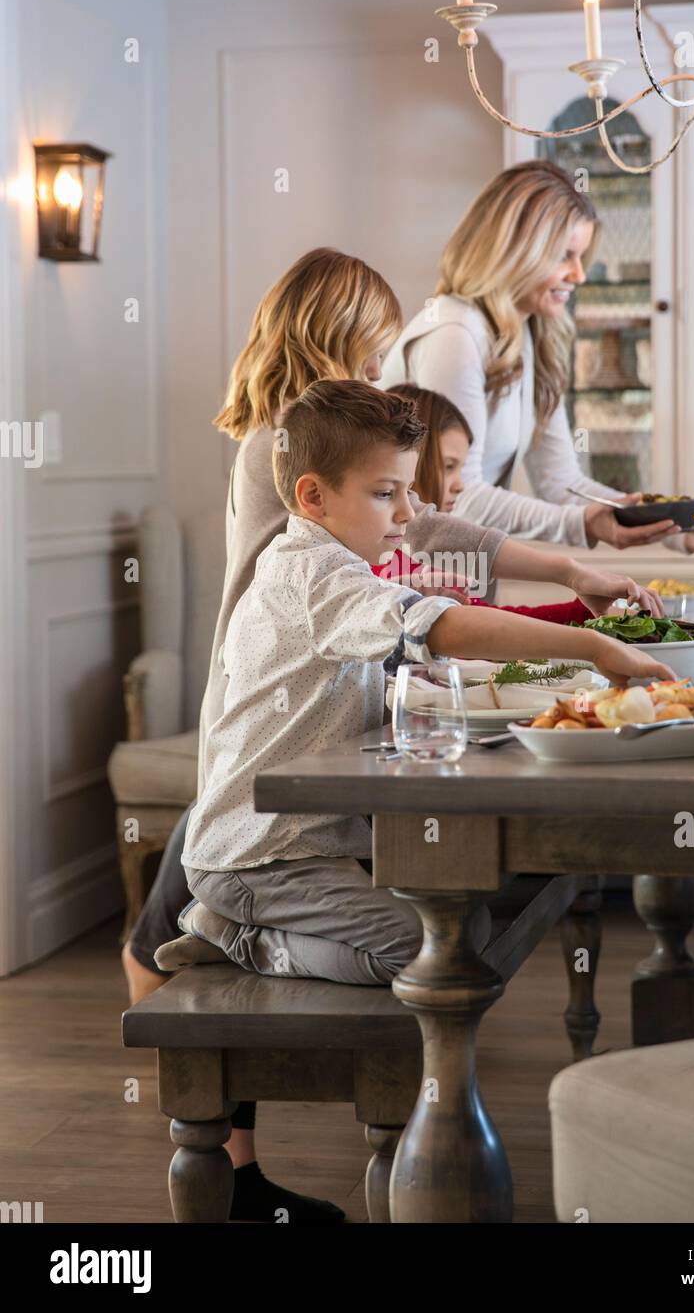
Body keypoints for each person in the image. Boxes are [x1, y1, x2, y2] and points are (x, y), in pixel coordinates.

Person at [121, 247, 510, 1223]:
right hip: (255, 753)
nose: (383, 368)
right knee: (183, 922)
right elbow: (368, 575)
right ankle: (240, 1151)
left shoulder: (322, 456)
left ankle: (244, 1149)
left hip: (276, 745)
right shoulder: (288, 454)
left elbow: (406, 545)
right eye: (373, 350)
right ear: (328, 338)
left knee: (213, 910)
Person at [159, 380, 676, 993]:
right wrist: (592, 643)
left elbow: (406, 628)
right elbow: (446, 629)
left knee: (465, 918)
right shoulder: (314, 575)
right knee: (423, 948)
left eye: (408, 492)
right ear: (313, 496)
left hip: (305, 844)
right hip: (259, 855)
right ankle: (243, 937)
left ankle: (239, 921)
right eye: (386, 494)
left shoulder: (333, 565)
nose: (407, 513)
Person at [380, 160, 694, 562]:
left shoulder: (529, 336)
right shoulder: (454, 336)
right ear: (514, 251)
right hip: (411, 573)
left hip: (459, 566)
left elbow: (561, 481)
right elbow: (460, 496)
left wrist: (678, 528)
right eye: (564, 256)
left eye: (581, 257)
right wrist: (585, 523)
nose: (579, 275)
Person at [375, 383, 663, 625]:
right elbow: (480, 626)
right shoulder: (397, 557)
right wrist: (576, 597)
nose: (461, 484)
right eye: (449, 466)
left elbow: (486, 617)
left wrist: (580, 612)